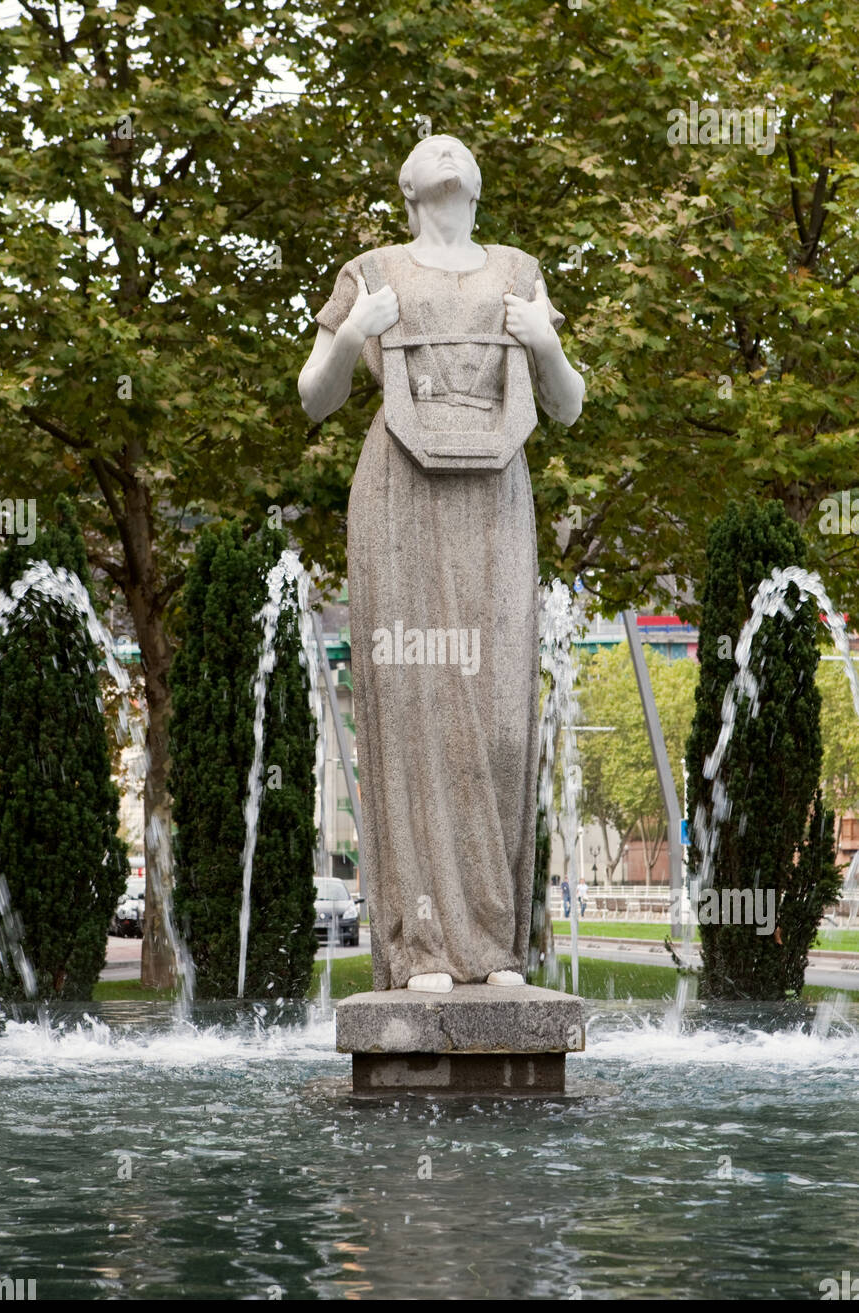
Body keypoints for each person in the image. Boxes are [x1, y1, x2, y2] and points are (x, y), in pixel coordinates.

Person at [298, 134, 584, 993]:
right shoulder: (374, 270)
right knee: (417, 710)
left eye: (458, 147)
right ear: (408, 185)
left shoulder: (520, 272)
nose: (446, 151)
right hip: (401, 500)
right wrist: (354, 333)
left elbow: (568, 407)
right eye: (430, 148)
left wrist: (544, 341)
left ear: (478, 182)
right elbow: (316, 397)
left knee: (499, 719)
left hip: (498, 501)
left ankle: (493, 948)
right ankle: (419, 946)